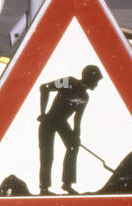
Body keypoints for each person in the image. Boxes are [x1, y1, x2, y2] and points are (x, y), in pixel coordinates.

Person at [36, 65, 102, 195]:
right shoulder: (70, 81)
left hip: (62, 123)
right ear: (90, 78)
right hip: (49, 120)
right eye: (96, 81)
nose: (97, 85)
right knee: (47, 154)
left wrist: (76, 136)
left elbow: (77, 119)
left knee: (73, 146)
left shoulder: (84, 97)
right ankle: (44, 188)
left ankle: (67, 184)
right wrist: (43, 113)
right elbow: (45, 88)